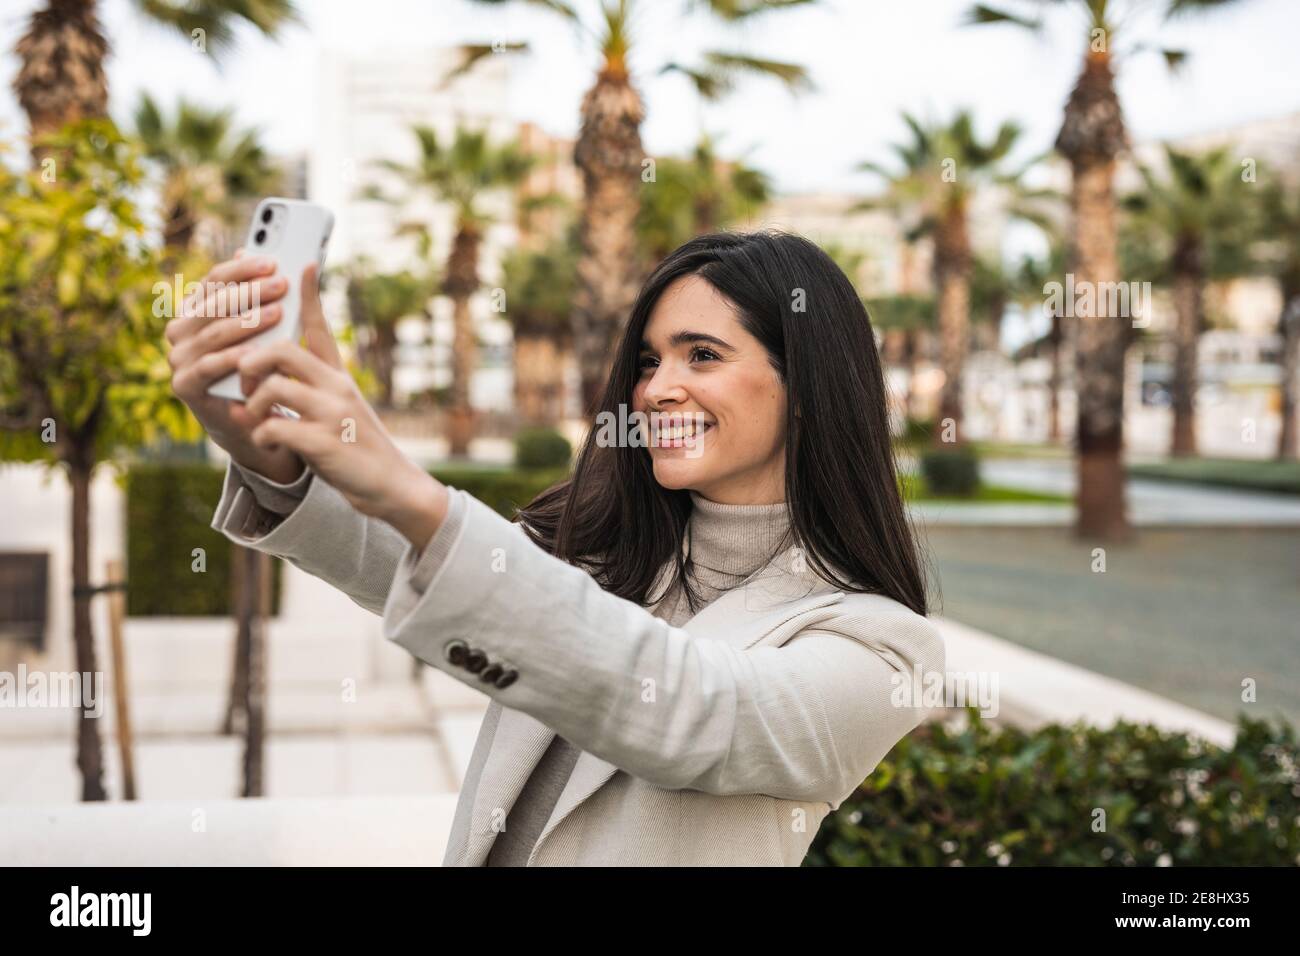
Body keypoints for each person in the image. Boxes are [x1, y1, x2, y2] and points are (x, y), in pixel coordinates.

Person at [167, 229, 944, 866]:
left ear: (807, 388)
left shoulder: (882, 648)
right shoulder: (606, 556)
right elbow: (409, 561)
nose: (656, 389)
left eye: (701, 355)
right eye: (649, 360)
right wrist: (273, 451)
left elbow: (697, 711)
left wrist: (407, 485)